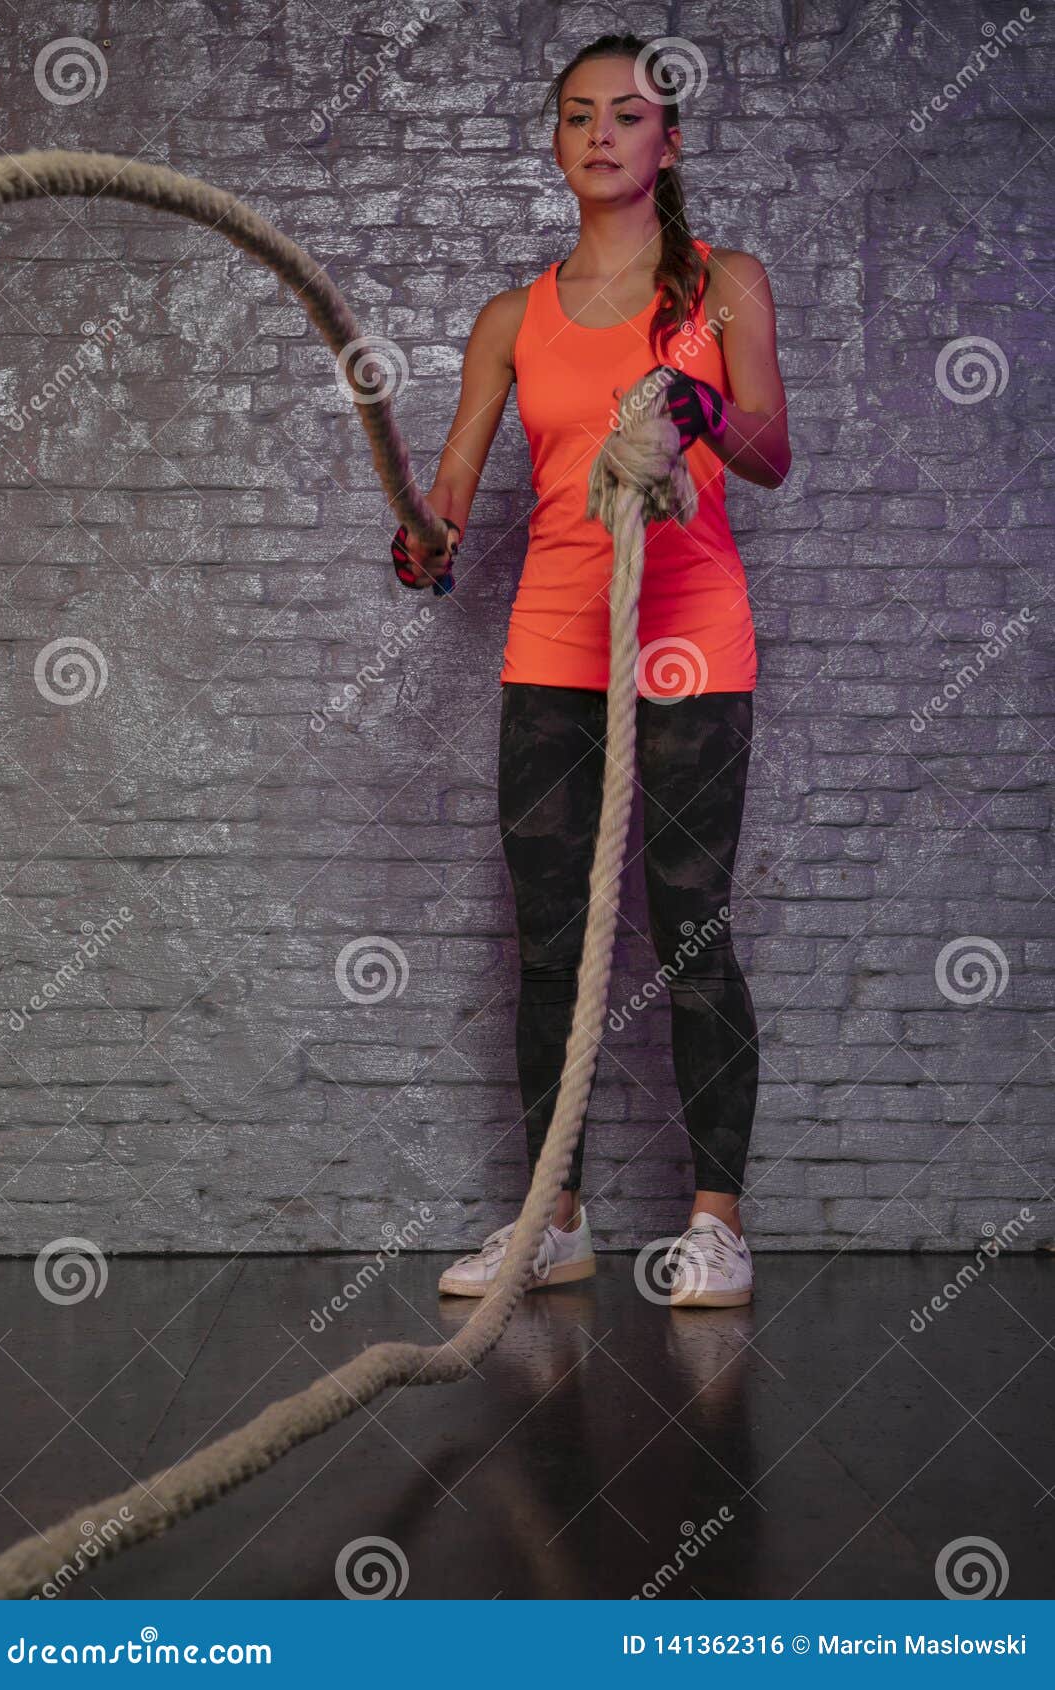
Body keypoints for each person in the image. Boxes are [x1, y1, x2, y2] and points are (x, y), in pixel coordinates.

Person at [393, 32, 790, 1308]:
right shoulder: (513, 314)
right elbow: (454, 476)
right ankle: (552, 1220)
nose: (602, 134)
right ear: (556, 144)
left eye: (628, 115)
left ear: (666, 145)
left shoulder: (724, 285)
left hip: (685, 639)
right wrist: (428, 531)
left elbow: (772, 449)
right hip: (554, 644)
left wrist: (695, 411)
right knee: (550, 939)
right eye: (578, 117)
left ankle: (715, 1223)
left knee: (688, 924)